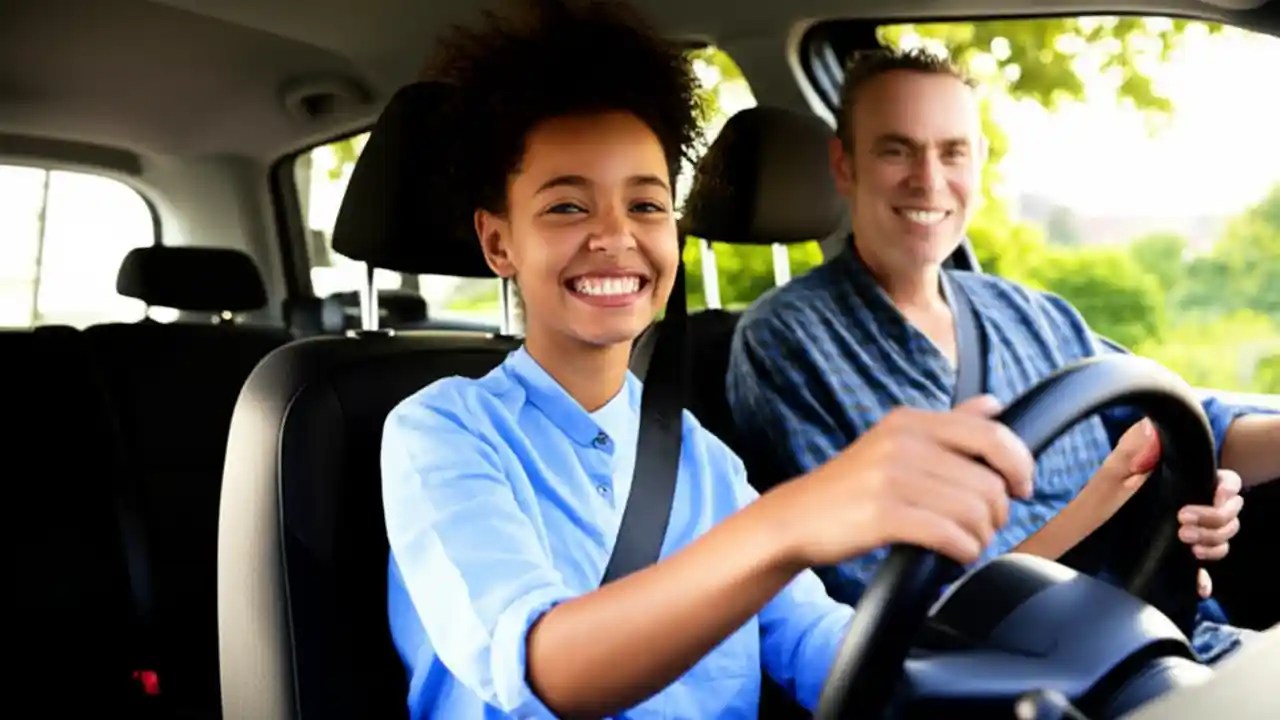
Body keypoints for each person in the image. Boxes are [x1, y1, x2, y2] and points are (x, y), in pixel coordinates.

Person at [379, 3, 1041, 718]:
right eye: (568, 207)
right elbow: (546, 668)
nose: (614, 236)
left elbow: (824, 647)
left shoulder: (703, 461)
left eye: (647, 205)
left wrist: (1015, 684)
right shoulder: (441, 433)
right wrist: (791, 523)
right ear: (499, 242)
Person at [724, 47, 1279, 665]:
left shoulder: (1033, 313)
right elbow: (889, 618)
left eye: (952, 151)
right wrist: (1106, 504)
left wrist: (1185, 489)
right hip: (1024, 681)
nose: (928, 179)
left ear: (978, 162)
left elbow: (1190, 422)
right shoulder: (788, 342)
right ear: (844, 164)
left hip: (1179, 640)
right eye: (896, 149)